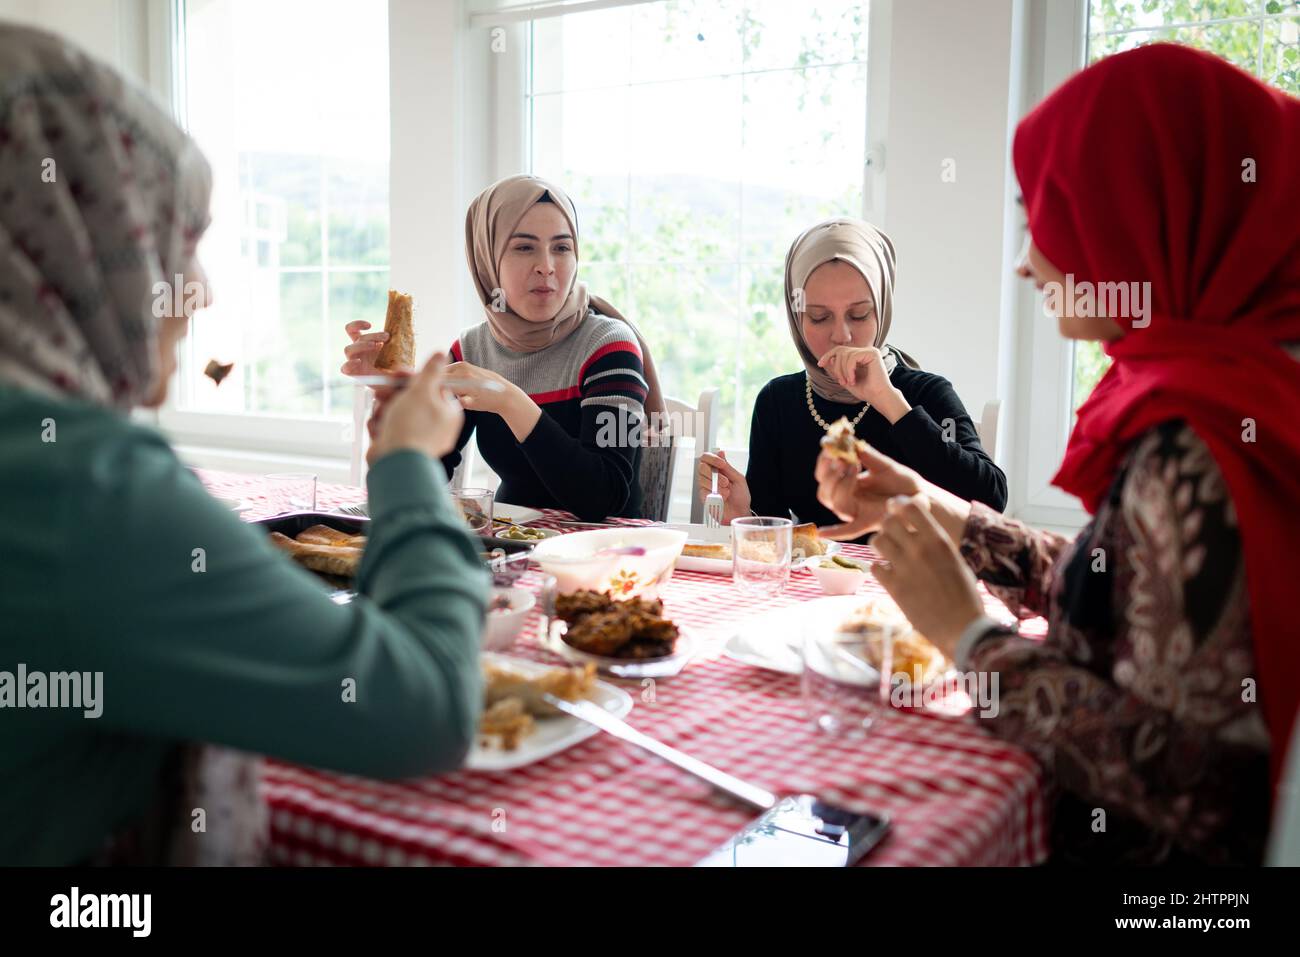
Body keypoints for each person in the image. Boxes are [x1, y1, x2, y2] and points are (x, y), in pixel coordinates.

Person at [0, 24, 487, 865]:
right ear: (79, 243)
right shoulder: (82, 491)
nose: (202, 291)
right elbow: (428, 705)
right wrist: (406, 467)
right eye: (175, 242)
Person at [814, 44, 1300, 864]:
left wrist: (967, 636)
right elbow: (1125, 594)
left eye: (1049, 213)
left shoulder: (1201, 445)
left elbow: (1197, 782)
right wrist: (935, 508)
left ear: (1139, 215)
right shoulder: (1236, 389)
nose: (1027, 258)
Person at [343, 176, 665, 520]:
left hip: (607, 556)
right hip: (510, 544)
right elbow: (423, 480)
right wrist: (391, 396)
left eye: (561, 247)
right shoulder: (471, 350)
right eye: (524, 247)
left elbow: (604, 499)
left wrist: (509, 401)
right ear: (487, 260)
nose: (546, 266)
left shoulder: (609, 346)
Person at [699, 218, 1005, 537]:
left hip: (910, 580)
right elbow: (775, 535)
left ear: (882, 309)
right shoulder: (777, 401)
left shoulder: (925, 393)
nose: (841, 335)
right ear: (796, 318)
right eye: (819, 317)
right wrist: (744, 513)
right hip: (815, 583)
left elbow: (989, 501)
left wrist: (889, 401)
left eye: (859, 314)